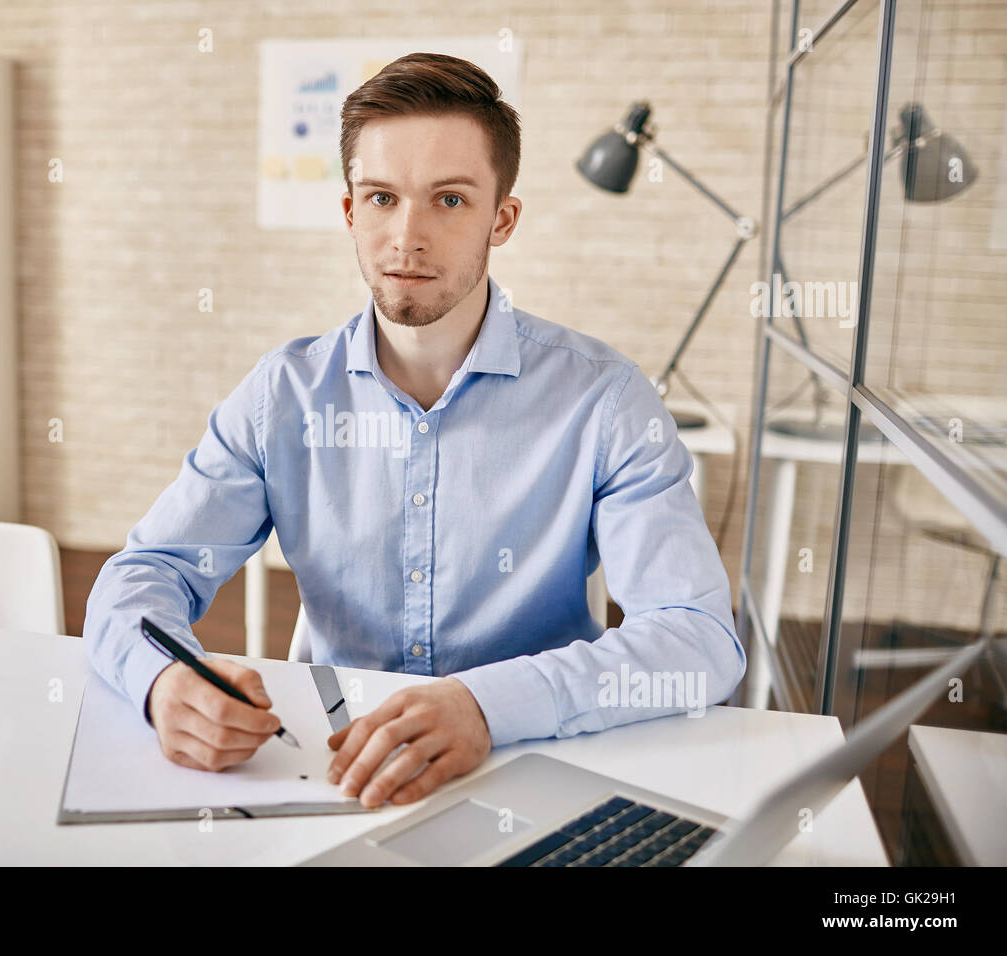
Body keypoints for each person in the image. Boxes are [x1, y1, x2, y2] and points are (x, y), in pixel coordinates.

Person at [84, 51, 745, 810]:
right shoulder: (283, 395)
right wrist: (162, 680)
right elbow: (145, 574)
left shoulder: (606, 399)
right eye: (381, 198)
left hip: (534, 768)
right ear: (349, 211)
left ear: (503, 218)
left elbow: (697, 642)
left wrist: (488, 704)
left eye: (450, 200)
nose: (407, 236)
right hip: (331, 775)